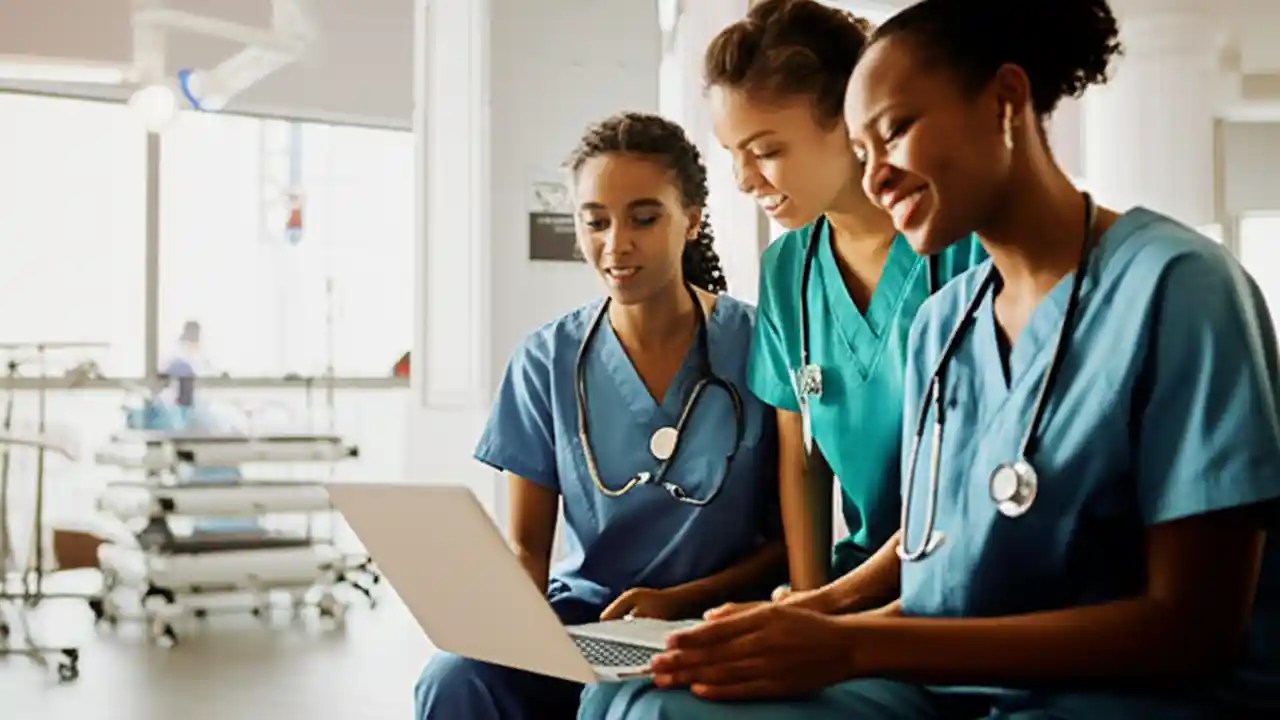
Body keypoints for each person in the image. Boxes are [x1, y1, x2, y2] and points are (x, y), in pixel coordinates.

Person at [580, 0, 1280, 718]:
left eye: (896, 132)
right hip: (947, 673)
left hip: (1116, 695)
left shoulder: (1179, 287)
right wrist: (812, 617)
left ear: (1005, 101)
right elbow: (933, 558)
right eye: (862, 149)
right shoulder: (946, 323)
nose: (875, 174)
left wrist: (848, 645)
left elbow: (1194, 628)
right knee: (630, 700)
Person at [412, 112, 785, 720]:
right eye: (595, 222)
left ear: (690, 219)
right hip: (586, 621)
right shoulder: (546, 360)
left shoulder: (759, 344)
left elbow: (790, 542)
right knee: (454, 679)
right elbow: (527, 548)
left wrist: (678, 600)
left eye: (644, 218)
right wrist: (501, 638)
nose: (616, 244)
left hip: (718, 615)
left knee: (625, 703)